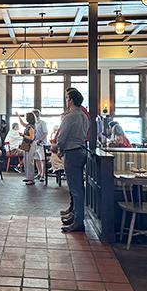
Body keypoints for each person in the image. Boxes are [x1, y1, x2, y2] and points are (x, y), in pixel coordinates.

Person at [57, 88, 89, 233]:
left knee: (75, 189)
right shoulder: (83, 115)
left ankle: (78, 221)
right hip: (81, 150)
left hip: (72, 152)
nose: (66, 100)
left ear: (71, 100)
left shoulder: (70, 116)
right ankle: (76, 216)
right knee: (79, 187)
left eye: (67, 98)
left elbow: (62, 136)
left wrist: (59, 148)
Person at [18, 111, 37, 185]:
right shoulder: (29, 125)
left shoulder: (31, 127)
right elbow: (22, 123)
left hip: (31, 144)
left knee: (29, 161)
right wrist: (19, 116)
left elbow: (31, 137)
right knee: (26, 161)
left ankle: (31, 179)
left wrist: (23, 135)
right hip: (28, 145)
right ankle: (28, 177)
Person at [33, 109, 49, 182]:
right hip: (35, 144)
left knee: (43, 159)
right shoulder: (34, 124)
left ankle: (43, 174)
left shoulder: (42, 123)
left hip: (41, 144)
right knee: (37, 159)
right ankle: (39, 173)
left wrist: (40, 140)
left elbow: (45, 133)